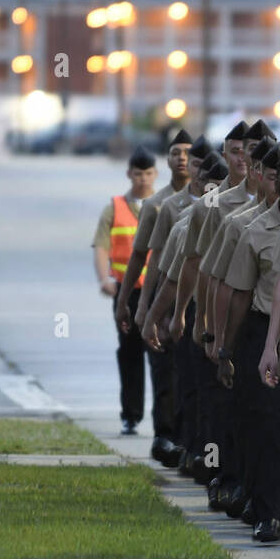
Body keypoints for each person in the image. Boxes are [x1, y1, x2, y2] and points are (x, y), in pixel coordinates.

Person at [224, 148, 280, 542]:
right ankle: (269, 513)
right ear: (273, 182)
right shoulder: (254, 229)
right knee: (271, 428)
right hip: (268, 332)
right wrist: (227, 348)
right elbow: (240, 293)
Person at [115, 129, 192, 464]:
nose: (182, 158)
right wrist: (128, 303)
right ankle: (164, 436)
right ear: (168, 159)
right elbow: (139, 256)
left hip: (193, 302)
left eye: (188, 152)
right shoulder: (157, 205)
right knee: (163, 368)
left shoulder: (209, 199)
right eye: (176, 152)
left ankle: (189, 438)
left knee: (189, 373)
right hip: (162, 297)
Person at [92, 144, 156, 435]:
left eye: (148, 173)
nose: (143, 179)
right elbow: (101, 247)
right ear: (129, 173)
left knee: (161, 356)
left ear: (155, 174)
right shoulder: (114, 208)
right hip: (126, 292)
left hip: (158, 291)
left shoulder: (163, 204)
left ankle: (167, 421)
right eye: (138, 173)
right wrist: (104, 279)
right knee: (129, 353)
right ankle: (131, 413)